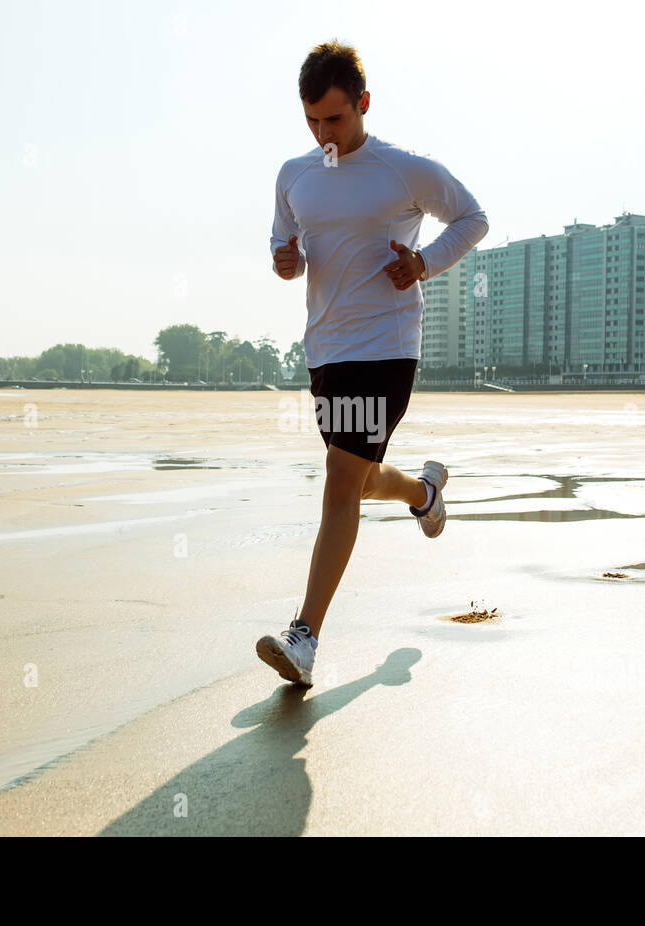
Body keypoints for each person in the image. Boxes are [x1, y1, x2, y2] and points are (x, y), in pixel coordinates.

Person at [255, 39, 488, 686]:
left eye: (335, 118)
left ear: (362, 103)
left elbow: (472, 218)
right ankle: (424, 493)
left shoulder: (403, 169)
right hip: (324, 349)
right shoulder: (293, 175)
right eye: (311, 120)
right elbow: (286, 246)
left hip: (386, 347)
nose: (324, 132)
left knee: (337, 477)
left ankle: (304, 637)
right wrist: (285, 261)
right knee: (354, 480)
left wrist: (423, 262)